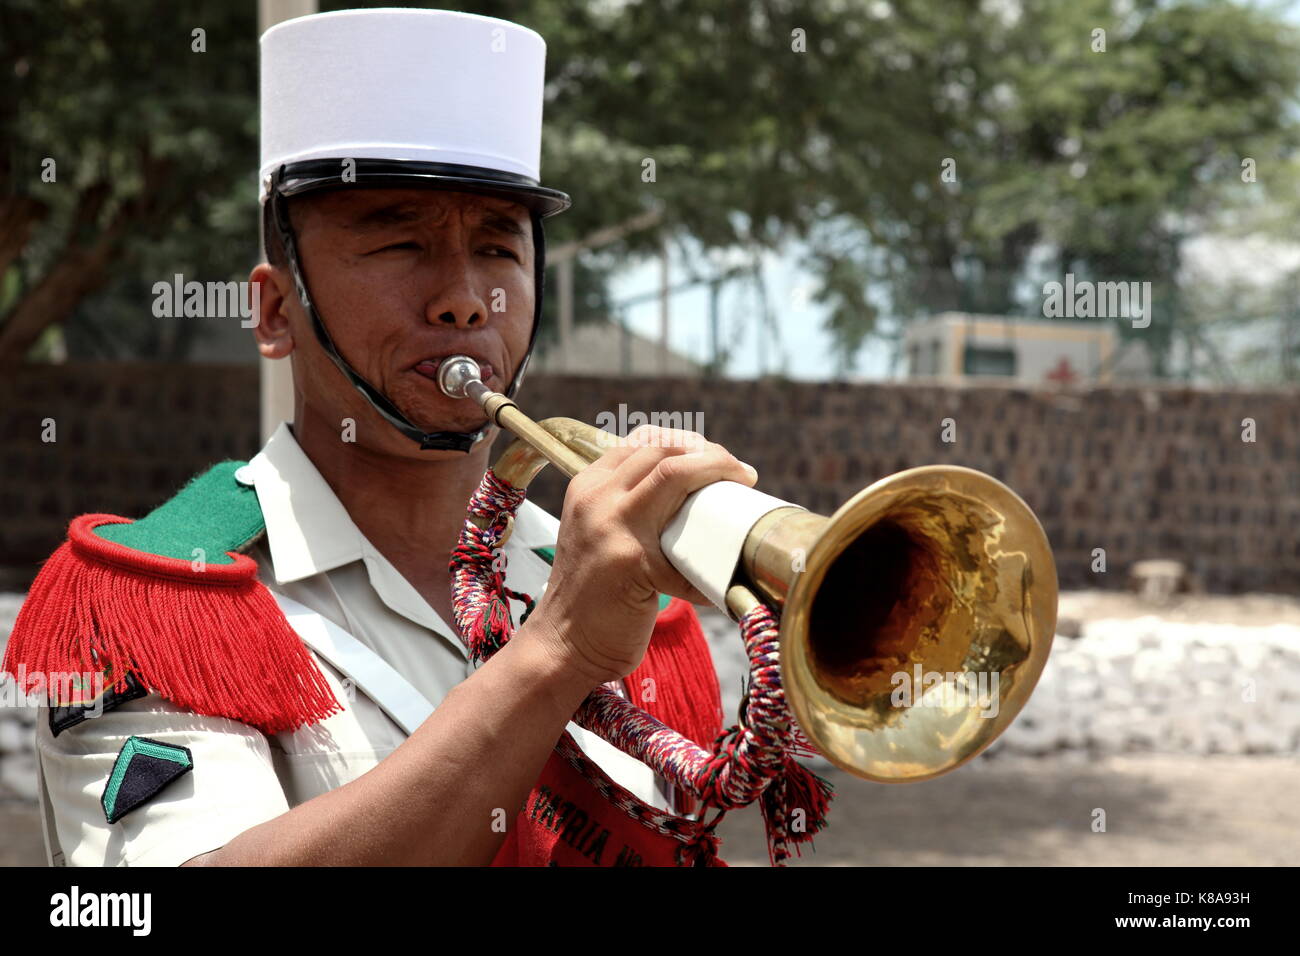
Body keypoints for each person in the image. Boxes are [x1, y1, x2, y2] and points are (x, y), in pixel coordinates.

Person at [2, 7, 754, 867]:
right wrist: (556, 654)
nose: (464, 300)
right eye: (401, 243)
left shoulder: (623, 598)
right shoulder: (152, 600)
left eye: (500, 249)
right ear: (276, 311)